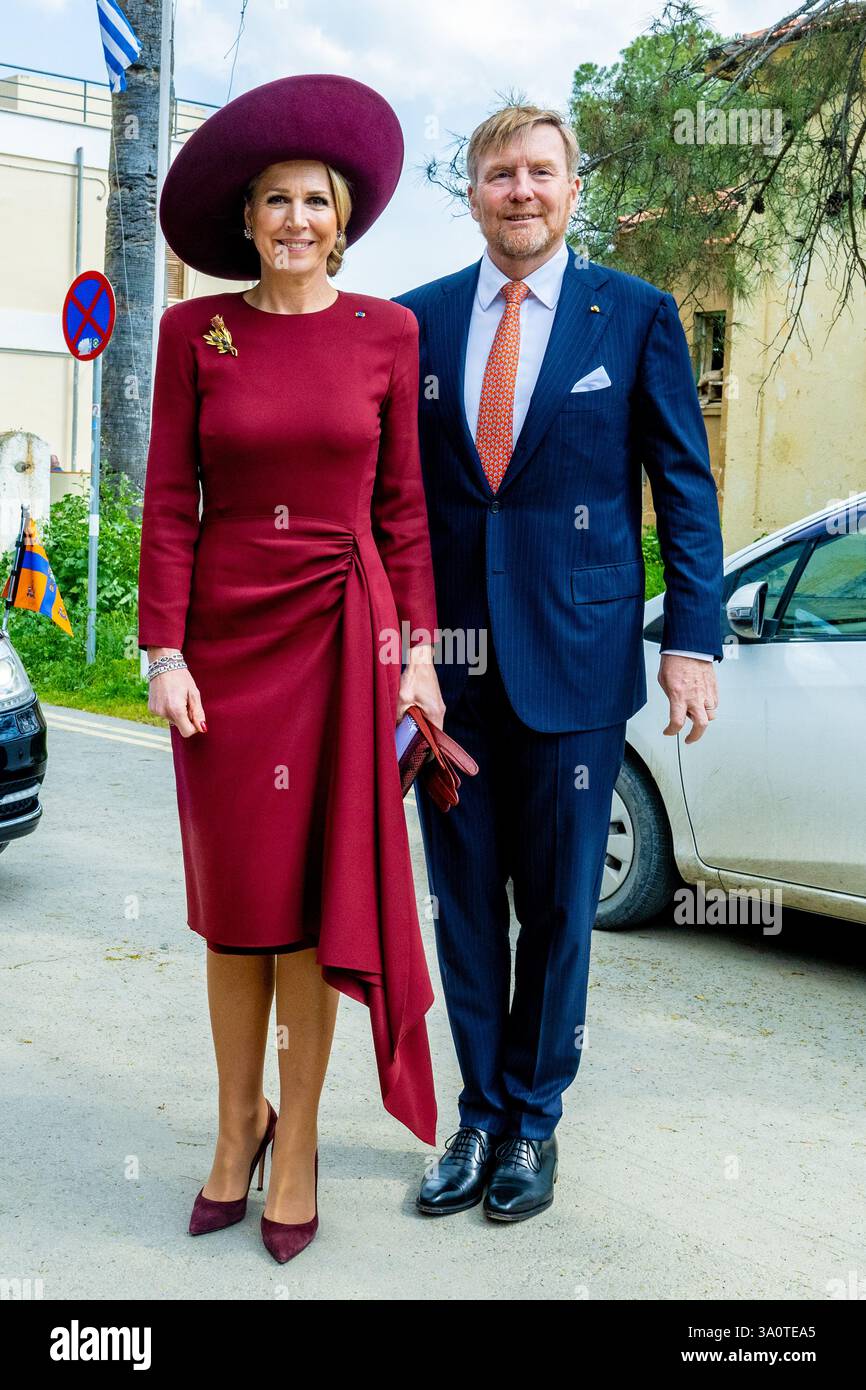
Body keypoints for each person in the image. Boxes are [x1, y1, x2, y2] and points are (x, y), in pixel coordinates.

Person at [395, 103, 724, 1222]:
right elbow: (393, 505)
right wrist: (401, 649)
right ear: (473, 192)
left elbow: (683, 482)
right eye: (498, 173)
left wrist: (690, 638)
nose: (519, 190)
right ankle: (476, 1115)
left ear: (570, 187)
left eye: (539, 171)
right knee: (463, 909)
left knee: (558, 910)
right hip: (446, 673)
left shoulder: (630, 316)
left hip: (577, 667)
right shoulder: (417, 323)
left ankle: (535, 1123)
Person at [138, 73, 444, 1264]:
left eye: (315, 201)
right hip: (220, 649)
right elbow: (168, 501)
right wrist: (162, 649)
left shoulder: (387, 334)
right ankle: (235, 1128)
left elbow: (406, 510)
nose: (296, 220)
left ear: (343, 215)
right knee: (234, 913)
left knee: (314, 908)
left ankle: (300, 1139)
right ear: (248, 219)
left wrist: (419, 656)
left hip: (342, 640)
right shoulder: (191, 333)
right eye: (276, 201)